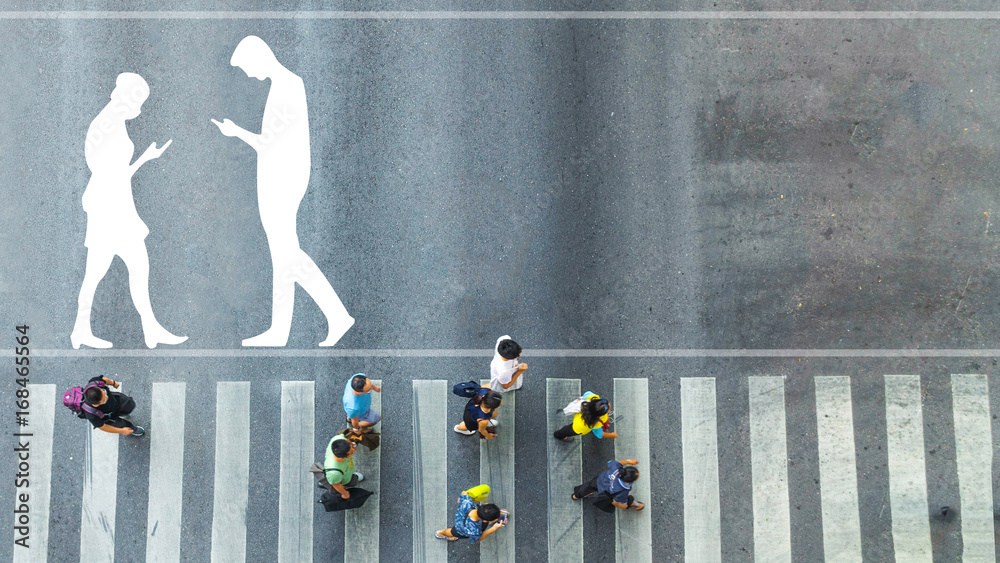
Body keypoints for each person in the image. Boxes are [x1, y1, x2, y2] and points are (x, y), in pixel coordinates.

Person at [212, 35, 354, 348]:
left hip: (282, 179)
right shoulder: (285, 84)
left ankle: (336, 316)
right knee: (284, 256)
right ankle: (283, 329)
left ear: (260, 58)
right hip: (282, 176)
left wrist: (236, 132)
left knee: (287, 254)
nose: (248, 75)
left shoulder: (287, 86)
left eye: (247, 67)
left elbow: (269, 143)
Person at [70, 72, 188, 350]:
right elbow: (103, 172)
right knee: (102, 271)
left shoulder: (113, 121)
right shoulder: (105, 124)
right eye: (138, 100)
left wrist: (145, 158)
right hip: (108, 210)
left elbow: (115, 173)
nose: (140, 107)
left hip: (115, 207)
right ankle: (84, 330)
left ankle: (147, 328)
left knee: (131, 268)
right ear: (125, 96)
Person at [81, 376, 145, 436]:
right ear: (96, 404)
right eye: (104, 399)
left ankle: (123, 413)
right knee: (122, 425)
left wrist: (113, 383)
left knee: (129, 404)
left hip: (116, 401)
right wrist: (122, 431)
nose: (107, 397)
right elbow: (103, 427)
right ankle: (132, 429)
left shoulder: (95, 382)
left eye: (104, 392)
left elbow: (103, 380)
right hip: (108, 417)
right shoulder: (91, 415)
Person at [573, 459, 644, 511]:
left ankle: (576, 495)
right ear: (628, 482)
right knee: (628, 501)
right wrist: (624, 506)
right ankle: (636, 505)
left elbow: (618, 463)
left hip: (600, 480)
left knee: (588, 486)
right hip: (605, 492)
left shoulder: (616, 468)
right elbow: (617, 502)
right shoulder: (623, 490)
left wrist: (629, 462)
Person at [435, 492, 507, 543]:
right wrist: (494, 528)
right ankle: (440, 533)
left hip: (461, 518)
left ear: (485, 504)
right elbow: (477, 539)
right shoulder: (474, 530)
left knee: (452, 531)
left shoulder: (467, 502)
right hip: (461, 529)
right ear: (484, 520)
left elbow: (460, 498)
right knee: (452, 532)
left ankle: (441, 533)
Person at [553, 392, 618, 440]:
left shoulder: (592, 398)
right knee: (566, 430)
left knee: (567, 429)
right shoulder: (596, 424)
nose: (609, 404)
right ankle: (558, 435)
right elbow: (600, 434)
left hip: (578, 424)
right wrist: (611, 435)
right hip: (578, 427)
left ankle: (561, 434)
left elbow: (586, 394)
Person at [323, 433, 364, 499]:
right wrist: (345, 493)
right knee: (354, 482)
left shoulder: (338, 439)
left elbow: (347, 440)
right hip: (345, 479)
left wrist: (352, 445)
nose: (354, 449)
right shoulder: (334, 473)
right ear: (343, 458)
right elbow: (337, 485)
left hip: (347, 471)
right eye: (351, 452)